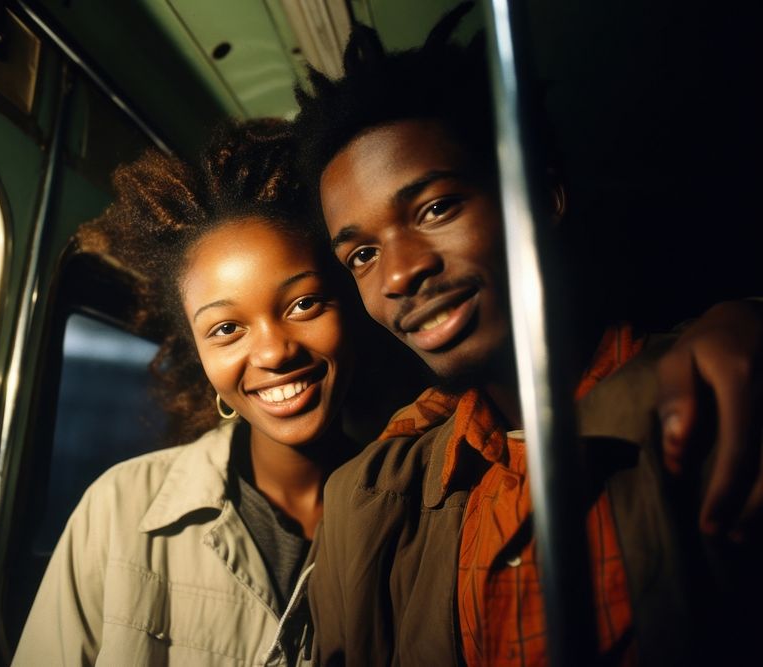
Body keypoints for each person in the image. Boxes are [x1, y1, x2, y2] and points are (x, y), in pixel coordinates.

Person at [293, 4, 763, 665]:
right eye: (362, 254)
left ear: (544, 197)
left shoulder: (714, 392)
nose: (400, 273)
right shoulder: (373, 504)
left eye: (436, 208)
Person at [12, 120, 361, 665]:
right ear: (200, 356)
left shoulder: (411, 509)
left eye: (303, 304)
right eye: (226, 329)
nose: (273, 353)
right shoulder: (119, 508)